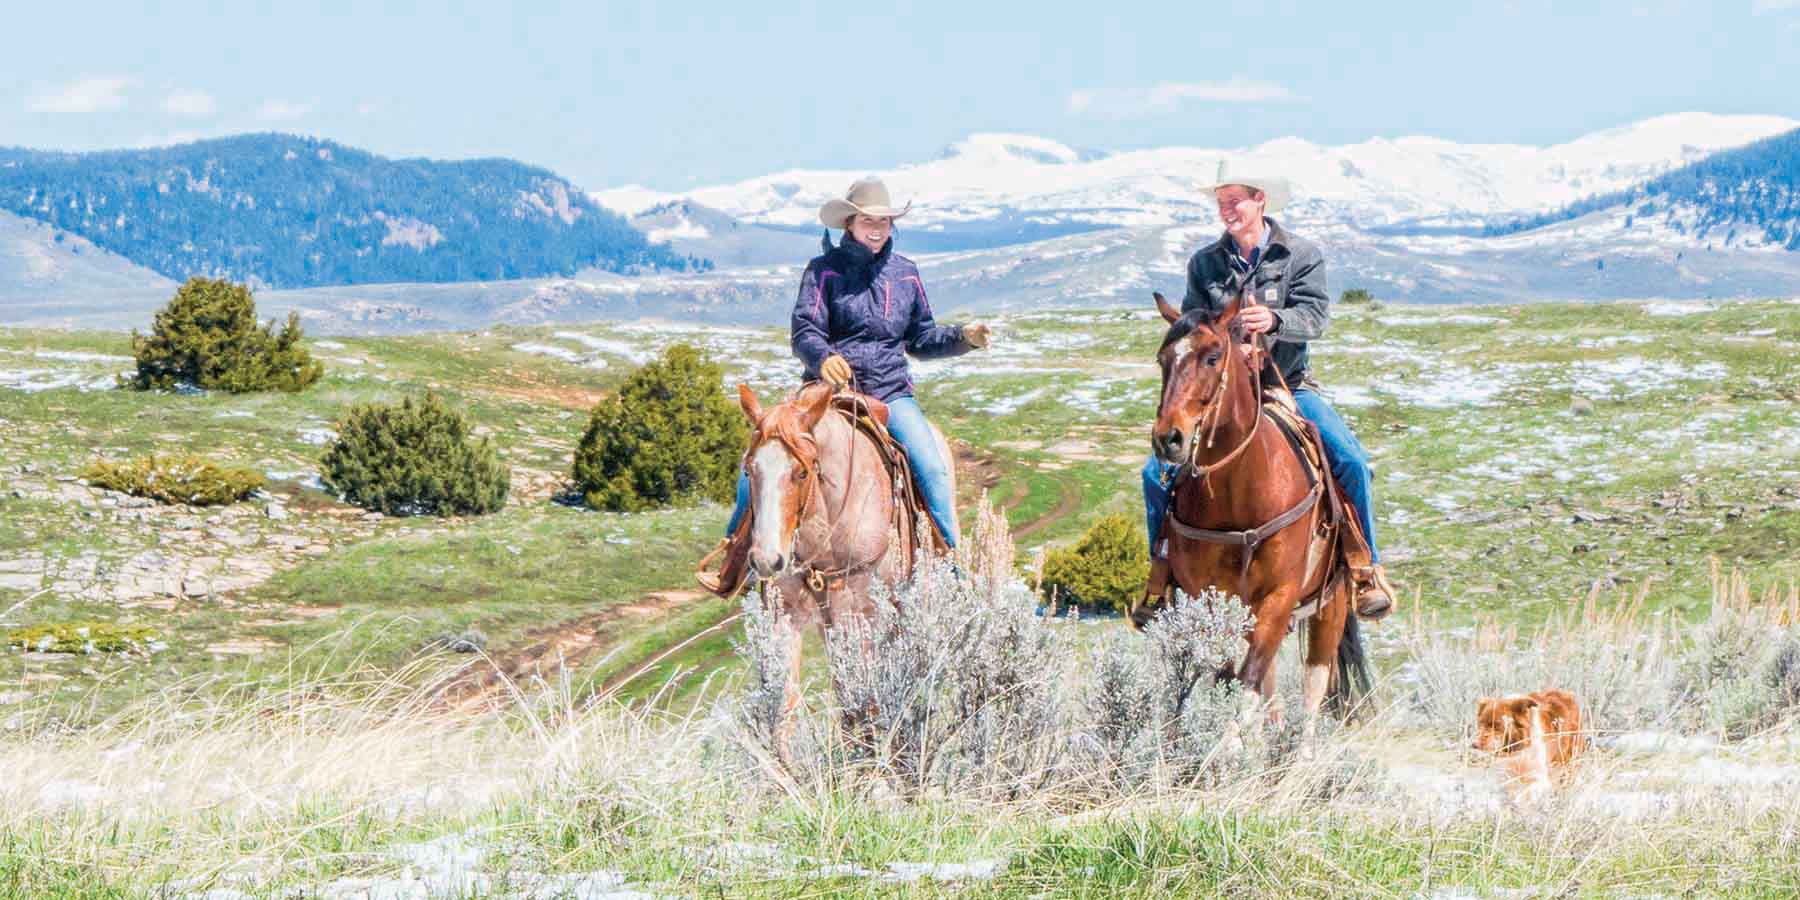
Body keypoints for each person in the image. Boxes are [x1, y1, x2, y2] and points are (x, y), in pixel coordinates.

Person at [698, 177, 992, 596]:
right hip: (826, 395)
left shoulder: (906, 274)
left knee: (931, 466)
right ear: (849, 223)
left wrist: (964, 337)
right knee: (762, 464)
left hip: (890, 392)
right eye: (869, 219)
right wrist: (824, 358)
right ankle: (734, 563)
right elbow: (804, 330)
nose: (878, 227)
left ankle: (953, 568)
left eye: (885, 220)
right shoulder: (822, 273)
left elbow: (921, 338)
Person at [1141, 162, 1397, 620]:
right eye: (1221, 202)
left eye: (1234, 200)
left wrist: (1277, 321)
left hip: (1286, 387)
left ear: (1260, 199)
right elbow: (1198, 328)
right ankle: (1160, 574)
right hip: (1219, 397)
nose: (1226, 210)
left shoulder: (1300, 255)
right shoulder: (1204, 263)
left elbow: (1315, 318)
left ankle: (1364, 569)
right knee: (1155, 473)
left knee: (1352, 462)